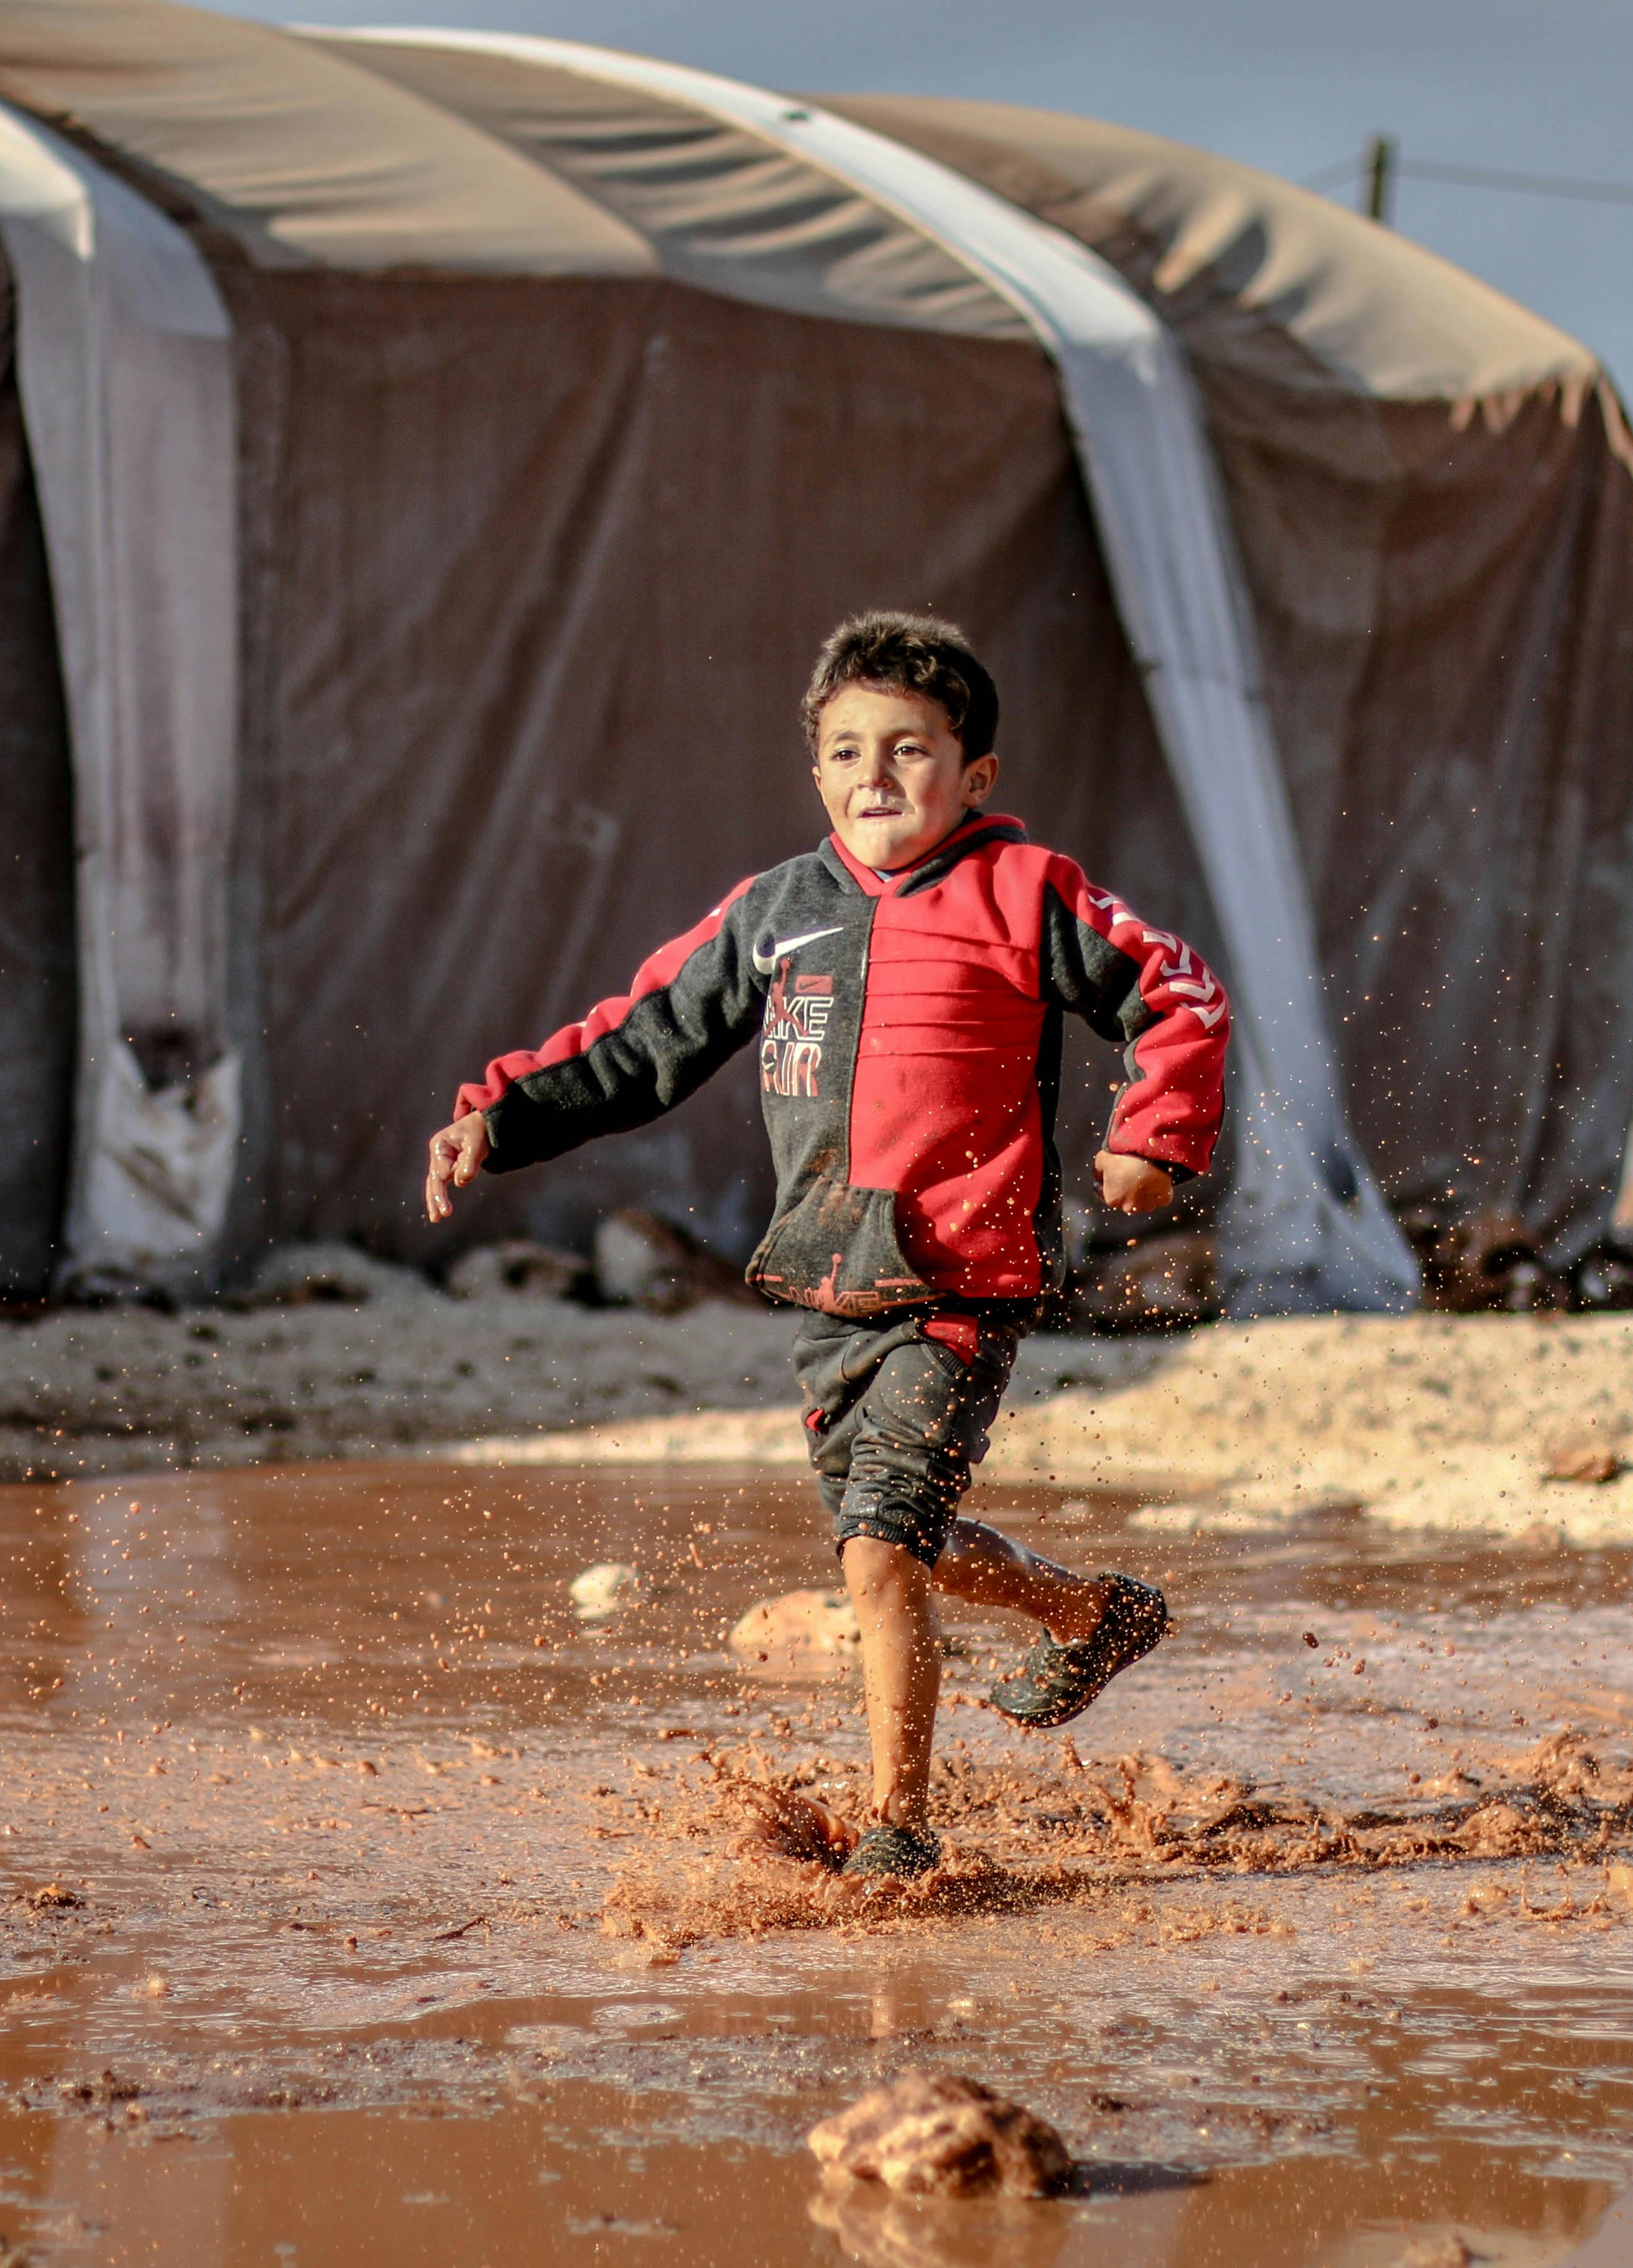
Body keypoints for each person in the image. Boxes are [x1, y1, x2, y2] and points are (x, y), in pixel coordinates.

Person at [423, 612, 1229, 1879]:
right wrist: (500, 1114)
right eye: (848, 750)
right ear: (815, 773)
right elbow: (640, 1040)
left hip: (961, 1278)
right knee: (894, 1536)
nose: (876, 774)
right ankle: (1091, 1613)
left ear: (974, 775)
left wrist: (1155, 1137)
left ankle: (900, 1831)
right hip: (825, 1279)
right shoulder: (777, 912)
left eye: (911, 749)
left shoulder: (1027, 891)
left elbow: (1177, 996)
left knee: (879, 1549)